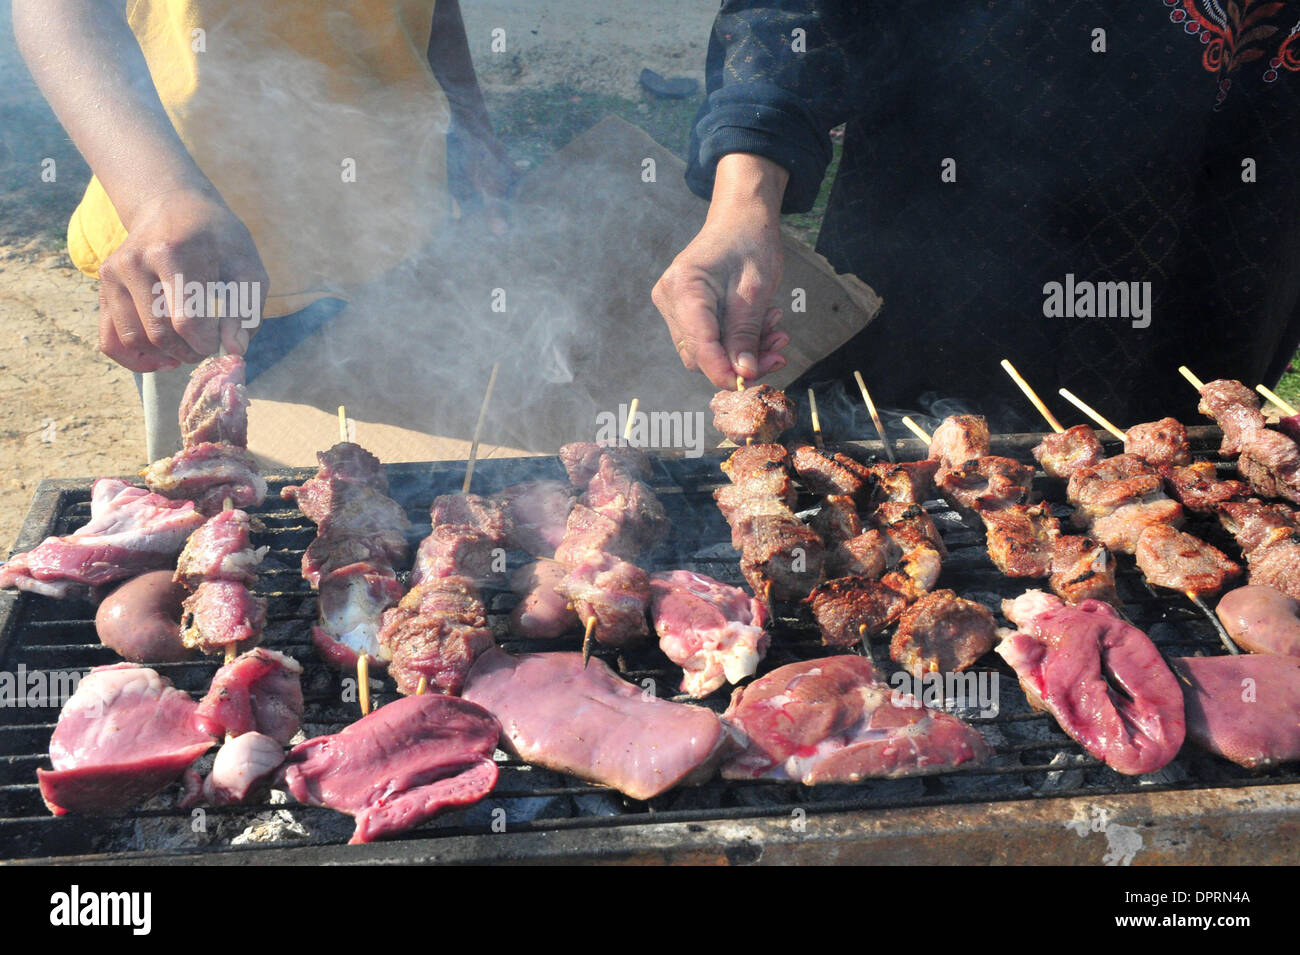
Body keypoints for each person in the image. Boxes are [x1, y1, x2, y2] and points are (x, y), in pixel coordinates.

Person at [653, 1, 1300, 423]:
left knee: (1188, 489)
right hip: (947, 234)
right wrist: (744, 204)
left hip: (1233, 240)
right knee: (890, 467)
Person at [14, 0, 511, 453]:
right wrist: (157, 197)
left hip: (398, 221)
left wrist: (473, 126)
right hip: (203, 254)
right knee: (219, 487)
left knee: (405, 470)